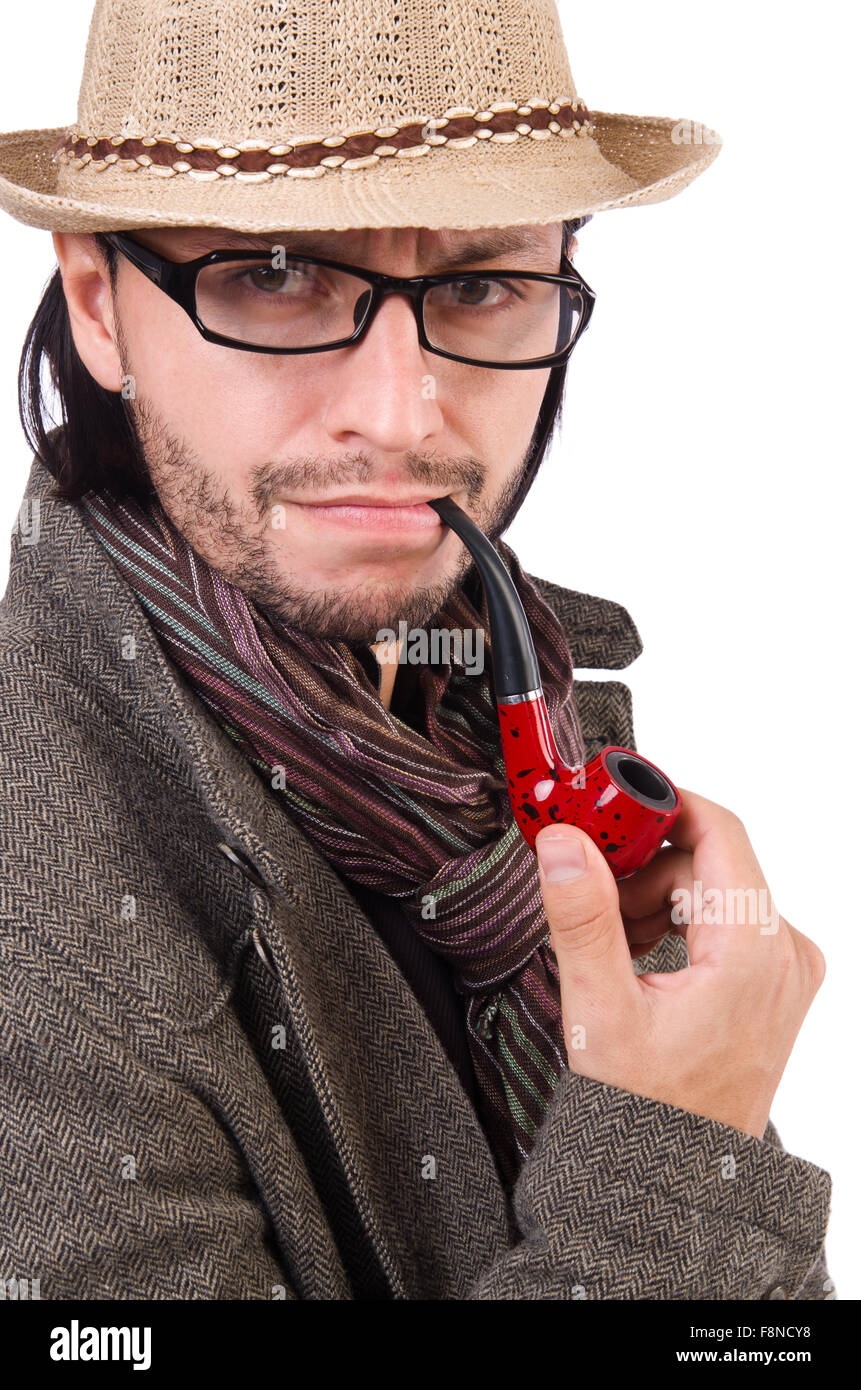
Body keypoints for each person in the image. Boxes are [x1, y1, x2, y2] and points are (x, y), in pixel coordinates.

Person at [0, 0, 832, 1300]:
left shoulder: (485, 710)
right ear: (101, 303)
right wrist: (678, 1158)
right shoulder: (28, 922)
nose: (398, 415)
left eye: (481, 283)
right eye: (275, 273)